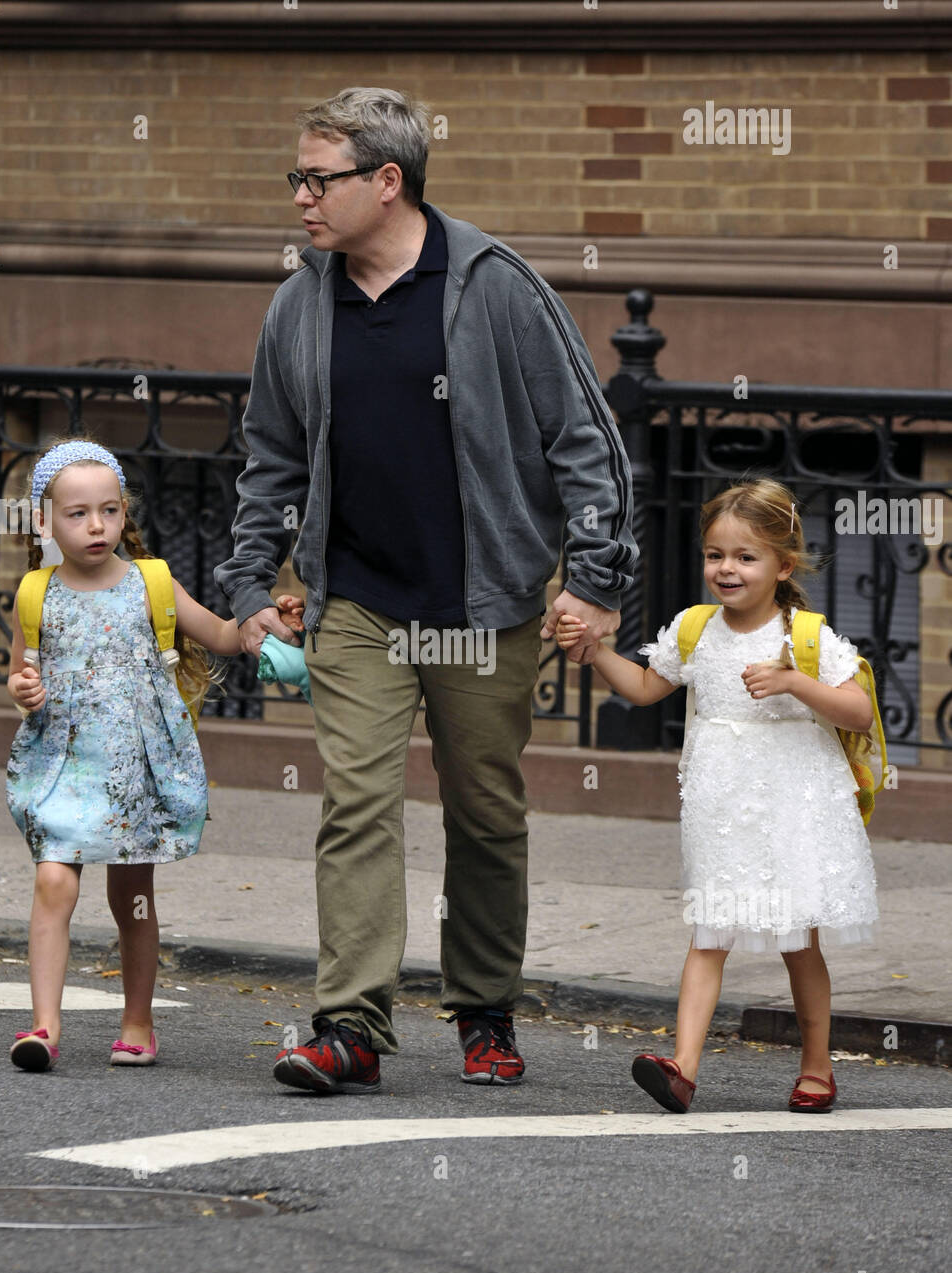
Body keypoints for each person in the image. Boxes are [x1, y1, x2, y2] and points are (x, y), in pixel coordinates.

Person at [214, 87, 636, 1092]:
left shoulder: (495, 287)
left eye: (320, 180)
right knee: (356, 804)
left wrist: (597, 577)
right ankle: (349, 1025)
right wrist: (245, 582)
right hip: (355, 600)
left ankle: (484, 1009)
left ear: (387, 181)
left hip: (483, 603)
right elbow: (270, 455)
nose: (302, 200)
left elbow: (587, 441)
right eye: (298, 179)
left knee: (485, 810)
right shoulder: (301, 301)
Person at [557, 478, 878, 1114]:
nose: (726, 569)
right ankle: (682, 1068)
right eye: (715, 555)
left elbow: (859, 712)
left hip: (792, 806)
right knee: (710, 933)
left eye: (745, 556)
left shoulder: (804, 636)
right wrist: (596, 654)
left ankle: (817, 1069)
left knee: (798, 942)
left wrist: (793, 682)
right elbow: (648, 688)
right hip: (721, 806)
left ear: (783, 565)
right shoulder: (695, 629)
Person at [4, 438, 263, 1071]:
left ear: (126, 513)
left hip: (135, 773)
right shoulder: (35, 594)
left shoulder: (154, 582)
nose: (96, 526)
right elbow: (20, 677)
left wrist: (264, 620)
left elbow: (226, 636)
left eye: (110, 510)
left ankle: (138, 1021)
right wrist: (24, 690)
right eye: (77, 513)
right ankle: (42, 1027)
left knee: (132, 898)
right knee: (52, 881)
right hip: (65, 763)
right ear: (43, 521)